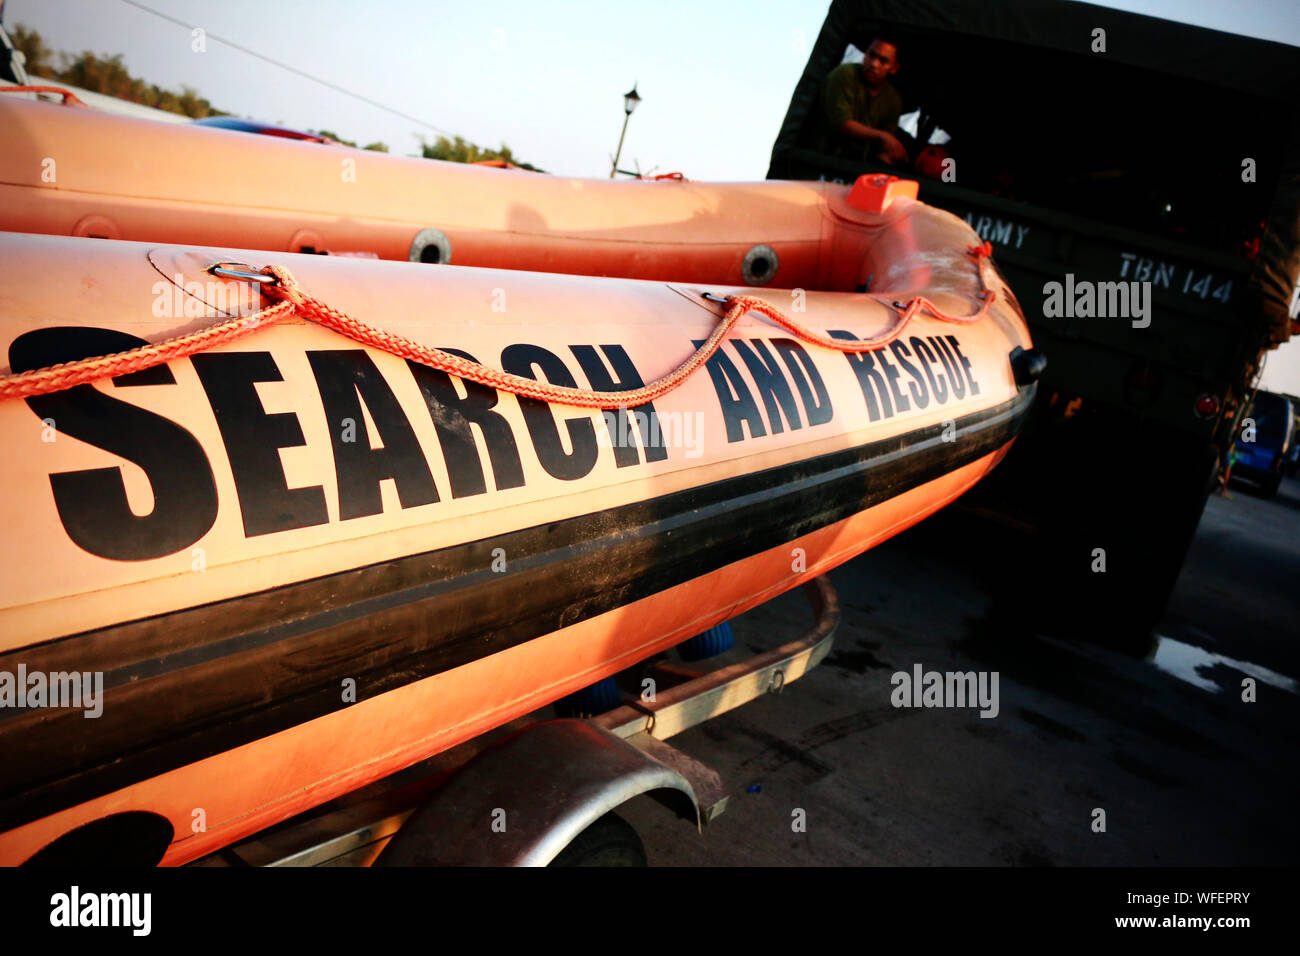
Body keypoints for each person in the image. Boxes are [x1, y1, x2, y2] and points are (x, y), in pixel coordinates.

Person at [818, 38, 907, 166]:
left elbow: (884, 149)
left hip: (859, 167)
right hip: (823, 158)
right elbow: (841, 123)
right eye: (871, 55)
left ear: (894, 68)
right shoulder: (844, 74)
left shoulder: (893, 100)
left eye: (883, 61)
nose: (874, 64)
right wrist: (882, 136)